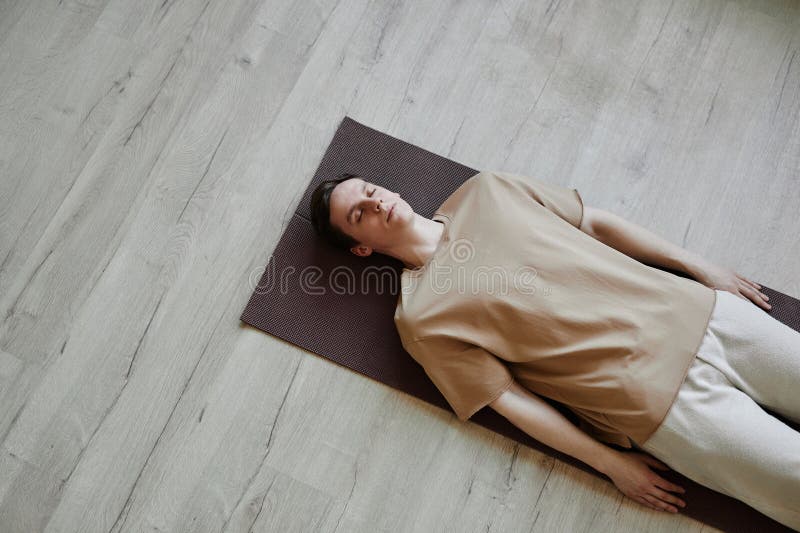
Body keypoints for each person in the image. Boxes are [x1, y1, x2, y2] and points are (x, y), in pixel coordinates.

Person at [309, 170, 800, 529]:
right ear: (360, 248)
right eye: (359, 214)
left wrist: (699, 265)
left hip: (705, 316)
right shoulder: (419, 318)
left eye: (371, 192)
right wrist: (610, 464)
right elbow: (509, 400)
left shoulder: (487, 190)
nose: (375, 205)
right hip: (660, 407)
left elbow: (597, 224)